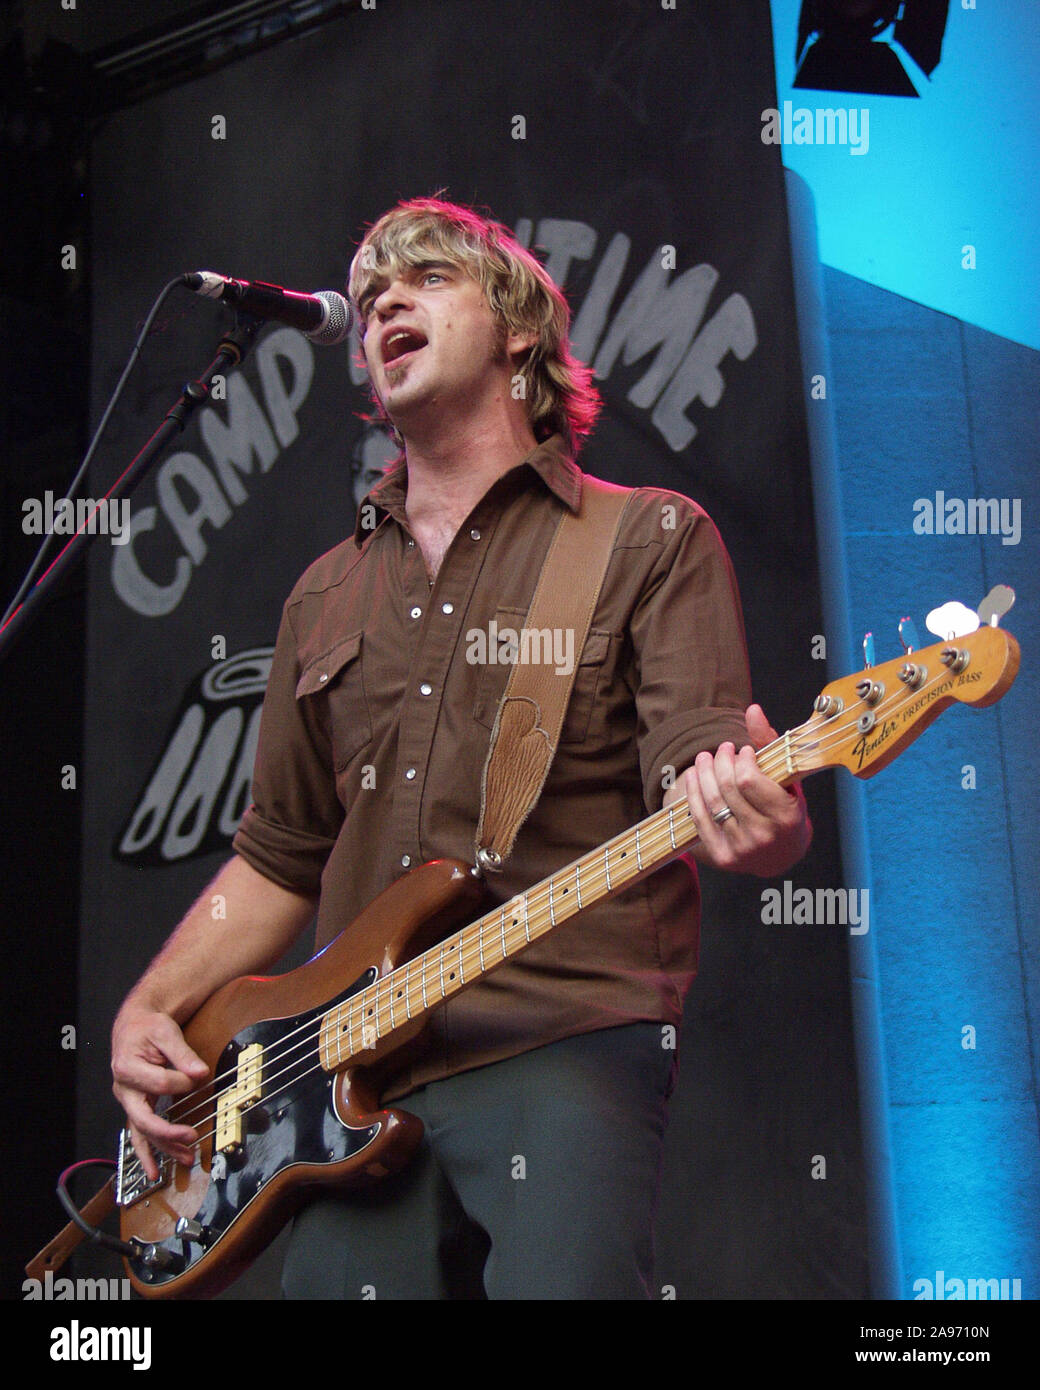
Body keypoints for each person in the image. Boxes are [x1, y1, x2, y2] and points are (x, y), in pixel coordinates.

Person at [110, 196, 811, 1299]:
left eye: (427, 278)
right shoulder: (324, 594)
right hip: (343, 1072)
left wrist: (746, 810)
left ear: (520, 331)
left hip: (561, 1032)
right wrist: (152, 1001)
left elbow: (704, 768)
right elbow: (279, 854)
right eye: (374, 287)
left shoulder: (642, 538)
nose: (387, 296)